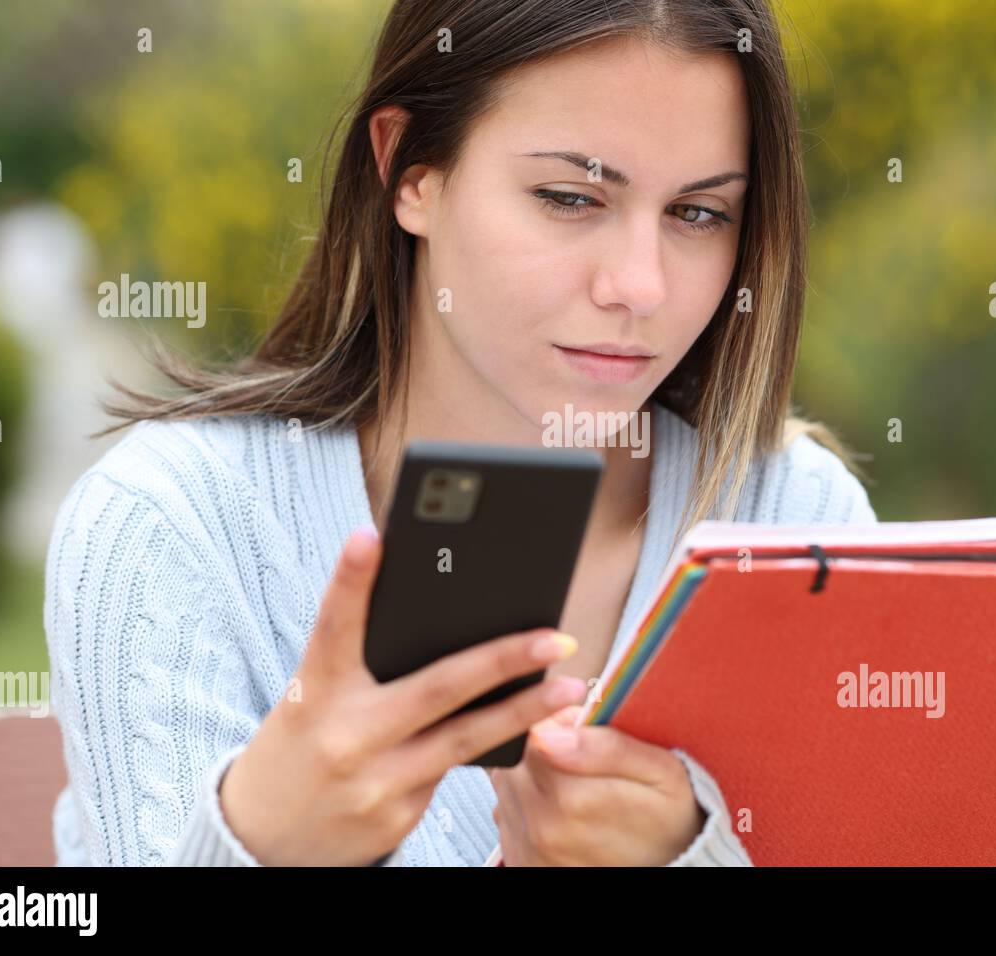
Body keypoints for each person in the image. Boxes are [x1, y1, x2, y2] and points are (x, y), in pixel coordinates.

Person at [44, 0, 877, 867]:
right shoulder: (177, 524)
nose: (641, 286)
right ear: (410, 172)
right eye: (570, 197)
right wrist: (264, 843)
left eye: (699, 213)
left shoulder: (794, 520)